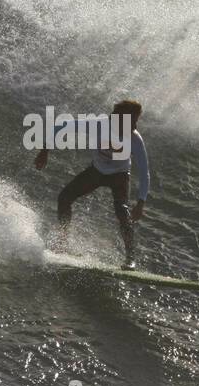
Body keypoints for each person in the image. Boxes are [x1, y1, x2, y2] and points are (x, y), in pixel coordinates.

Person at [33, 100, 150, 269]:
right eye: (132, 120)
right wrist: (44, 151)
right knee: (64, 198)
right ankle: (62, 240)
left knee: (122, 212)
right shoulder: (98, 125)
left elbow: (144, 171)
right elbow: (61, 126)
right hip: (96, 171)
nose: (135, 125)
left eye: (136, 120)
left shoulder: (135, 139)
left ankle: (130, 258)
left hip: (120, 175)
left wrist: (141, 202)